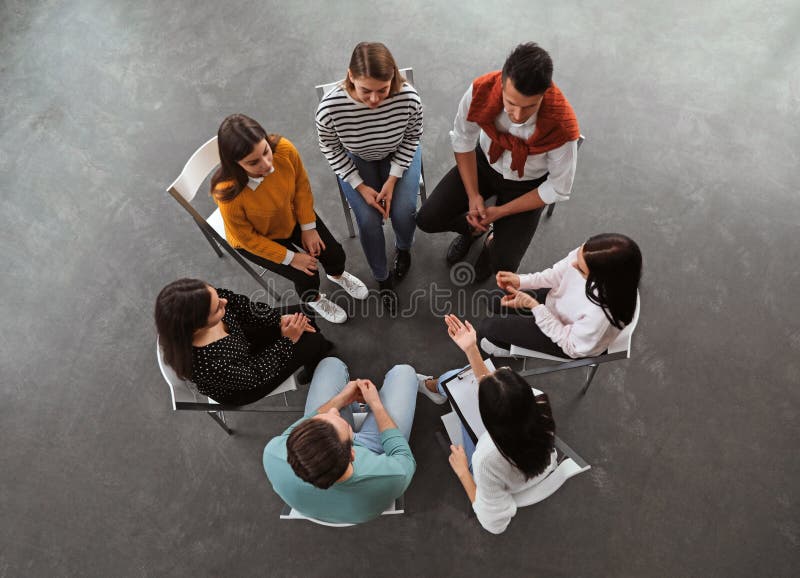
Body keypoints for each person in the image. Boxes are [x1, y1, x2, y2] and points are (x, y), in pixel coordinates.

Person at [416, 42, 580, 282]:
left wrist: (500, 212)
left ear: (544, 94)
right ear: (501, 84)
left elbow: (558, 186)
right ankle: (471, 229)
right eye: (510, 103)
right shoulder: (481, 90)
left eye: (530, 107)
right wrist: (473, 196)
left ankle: (491, 240)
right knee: (427, 219)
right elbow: (463, 138)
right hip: (483, 165)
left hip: (527, 184)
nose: (518, 115)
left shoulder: (562, 125)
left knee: (504, 263)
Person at [211, 114, 368, 324]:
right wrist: (291, 257)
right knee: (306, 275)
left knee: (333, 254)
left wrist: (308, 227)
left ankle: (337, 275)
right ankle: (313, 299)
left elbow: (301, 186)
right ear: (235, 164)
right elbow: (247, 239)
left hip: (289, 215)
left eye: (266, 151)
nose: (267, 164)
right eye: (253, 162)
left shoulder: (284, 149)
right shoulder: (228, 193)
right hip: (259, 238)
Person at [417, 315, 557, 534]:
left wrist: (463, 470)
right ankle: (438, 387)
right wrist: (471, 348)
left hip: (501, 479)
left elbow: (494, 524)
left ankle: (435, 387)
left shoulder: (485, 458)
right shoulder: (539, 400)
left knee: (452, 379)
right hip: (539, 465)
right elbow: (494, 388)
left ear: (486, 421)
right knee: (457, 378)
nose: (505, 370)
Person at [315, 42, 423, 312]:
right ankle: (382, 278)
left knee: (404, 210)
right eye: (366, 90)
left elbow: (412, 137)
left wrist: (392, 179)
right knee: (367, 220)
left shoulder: (409, 98)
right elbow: (330, 147)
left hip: (398, 153)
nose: (374, 100)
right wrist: (359, 186)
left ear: (392, 79)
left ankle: (403, 248)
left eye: (383, 90)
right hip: (357, 160)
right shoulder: (329, 109)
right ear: (351, 75)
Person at [263, 357, 418, 524]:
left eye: (321, 419)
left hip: (324, 496)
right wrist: (375, 404)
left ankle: (347, 415)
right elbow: (403, 455)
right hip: (373, 452)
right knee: (404, 373)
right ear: (353, 454)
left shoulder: (273, 453)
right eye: (339, 420)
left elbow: (319, 417)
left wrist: (341, 399)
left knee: (330, 364)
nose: (333, 411)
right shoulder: (390, 476)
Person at [155, 278, 332, 405]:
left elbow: (245, 308)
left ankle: (317, 354)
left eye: (217, 295)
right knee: (312, 340)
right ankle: (317, 360)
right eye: (218, 307)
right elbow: (254, 375)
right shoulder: (205, 365)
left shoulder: (207, 300)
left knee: (303, 314)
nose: (224, 301)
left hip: (243, 342)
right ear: (198, 326)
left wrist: (277, 319)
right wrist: (287, 340)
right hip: (246, 384)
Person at [478, 233, 643, 359]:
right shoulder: (589, 255)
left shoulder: (600, 316)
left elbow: (571, 347)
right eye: (578, 254)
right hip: (554, 304)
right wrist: (521, 281)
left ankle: (508, 348)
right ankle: (512, 334)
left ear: (599, 280)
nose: (573, 264)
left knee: (488, 327)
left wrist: (535, 308)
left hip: (565, 338)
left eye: (581, 269)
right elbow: (556, 274)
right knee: (494, 300)